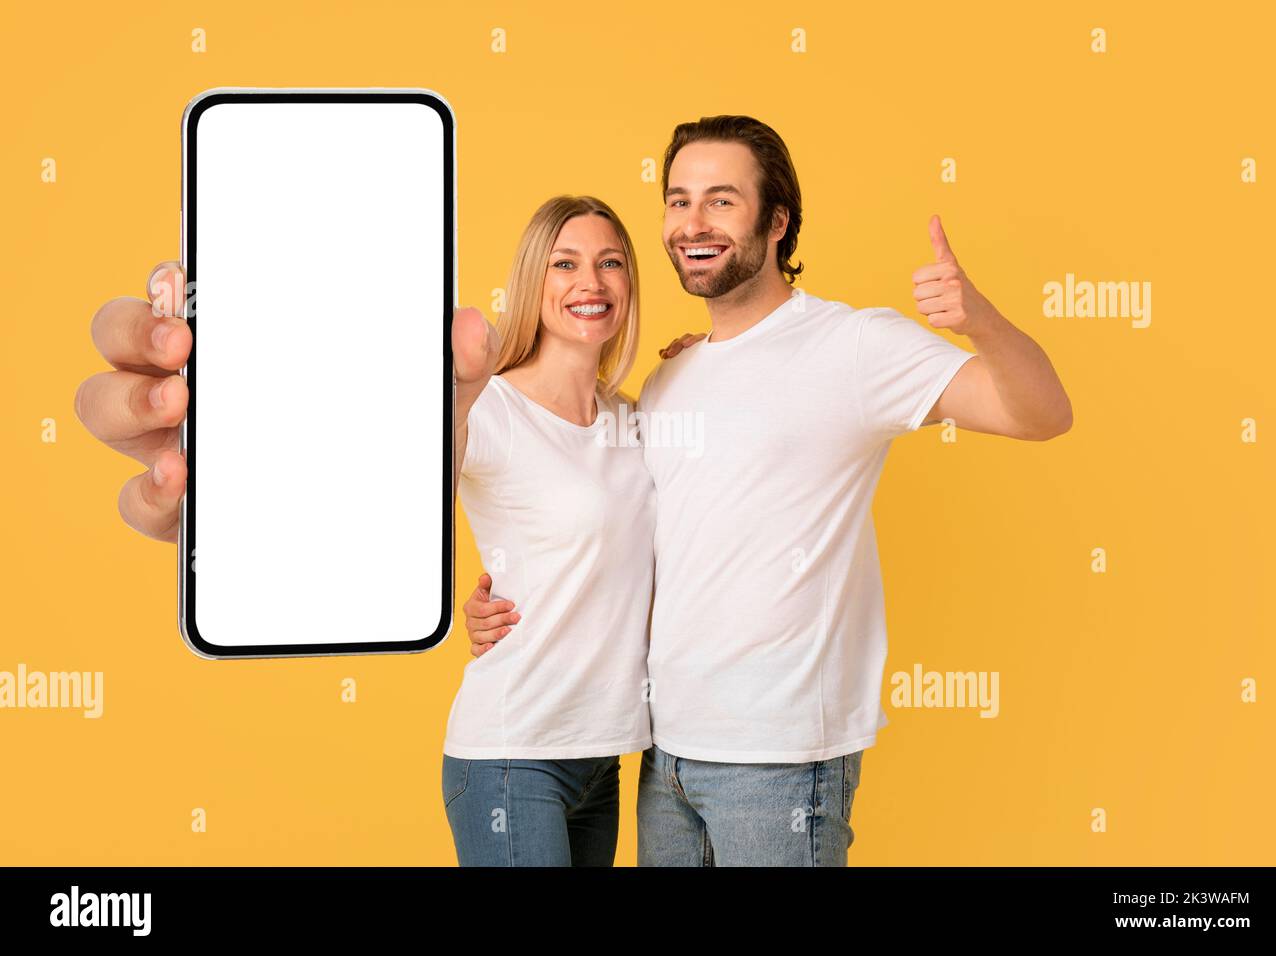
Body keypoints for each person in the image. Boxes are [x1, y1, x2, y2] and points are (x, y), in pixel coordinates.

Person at [465, 115, 1074, 866]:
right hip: (662, 756)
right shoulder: (665, 380)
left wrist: (979, 320)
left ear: (777, 220)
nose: (694, 222)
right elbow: (603, 522)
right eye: (679, 200)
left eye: (721, 200)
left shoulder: (853, 347)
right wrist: (499, 598)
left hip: (780, 757)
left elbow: (1042, 414)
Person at [74, 193, 658, 867]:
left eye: (610, 262)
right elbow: (389, 493)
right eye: (566, 264)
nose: (591, 282)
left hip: (603, 757)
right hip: (512, 756)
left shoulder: (633, 418)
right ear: (534, 280)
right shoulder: (488, 406)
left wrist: (713, 357)